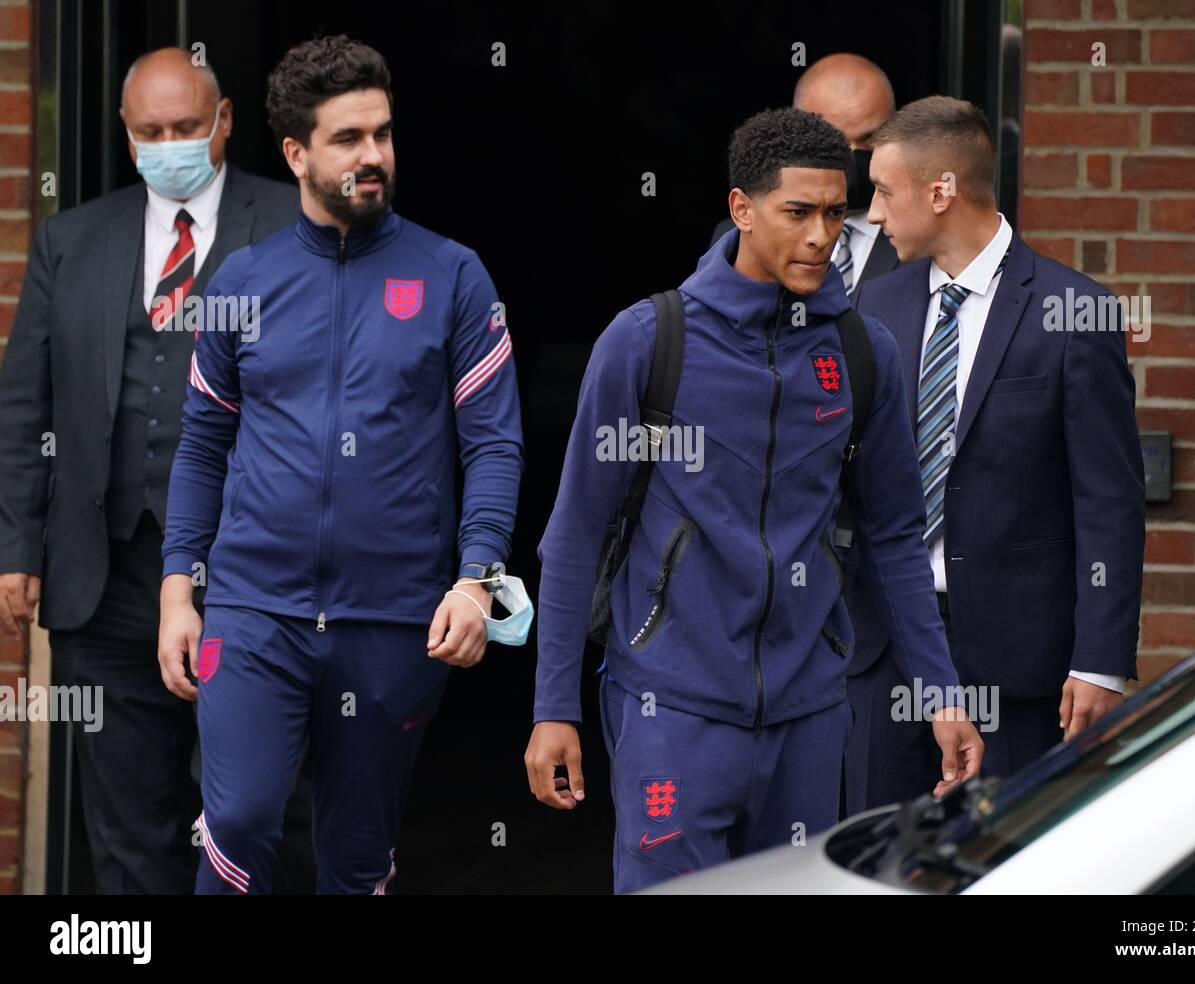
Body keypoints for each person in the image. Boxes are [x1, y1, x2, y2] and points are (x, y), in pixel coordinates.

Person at [526, 107, 982, 893]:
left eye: (836, 213)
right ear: (742, 209)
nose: (821, 236)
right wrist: (552, 707)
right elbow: (574, 533)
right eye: (797, 213)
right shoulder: (647, 342)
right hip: (671, 706)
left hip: (809, 713)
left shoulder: (860, 351)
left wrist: (941, 693)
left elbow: (896, 537)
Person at [158, 35, 524, 894]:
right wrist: (182, 586)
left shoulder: (453, 275)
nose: (373, 157)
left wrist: (476, 580)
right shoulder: (242, 281)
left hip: (394, 616)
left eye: (383, 135)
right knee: (239, 819)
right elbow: (203, 443)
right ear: (295, 153)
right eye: (348, 139)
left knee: (357, 856)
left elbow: (495, 442)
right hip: (253, 611)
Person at [0, 47, 299, 893]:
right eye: (151, 132)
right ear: (129, 140)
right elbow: (27, 403)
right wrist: (17, 546)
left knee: (252, 811)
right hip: (107, 569)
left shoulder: (291, 226)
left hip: (250, 571)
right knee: (128, 825)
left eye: (186, 127)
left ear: (225, 120)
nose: (170, 144)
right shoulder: (72, 239)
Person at [847, 96, 1144, 812]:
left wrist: (1100, 662)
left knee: (1002, 865)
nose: (874, 215)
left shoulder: (1073, 314)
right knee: (868, 859)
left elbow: (1109, 500)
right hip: (881, 647)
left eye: (884, 191)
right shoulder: (869, 308)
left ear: (941, 190)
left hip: (1015, 668)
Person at [708, 53, 899, 300]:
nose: (853, 155)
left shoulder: (922, 233)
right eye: (834, 141)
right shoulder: (736, 239)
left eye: (870, 138)